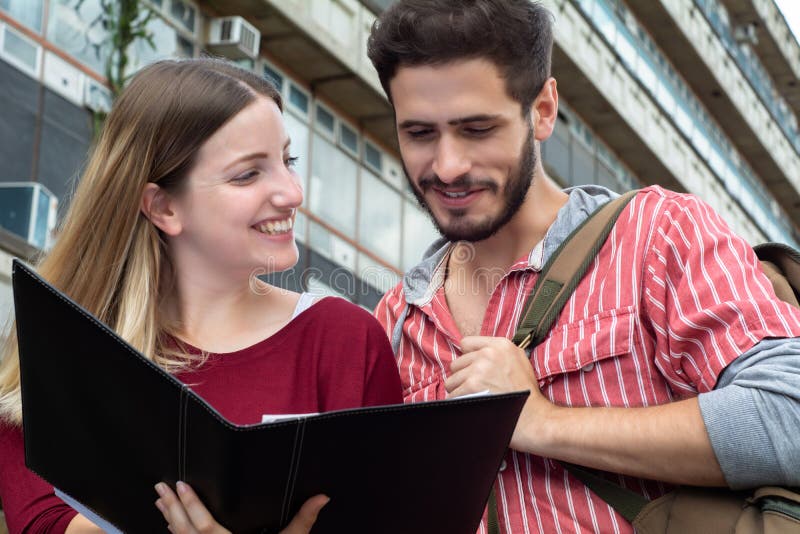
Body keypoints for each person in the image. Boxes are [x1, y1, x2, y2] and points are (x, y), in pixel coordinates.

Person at [367, 1, 800, 532]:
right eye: (419, 134)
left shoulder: (659, 233)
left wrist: (542, 422)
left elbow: (790, 417)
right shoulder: (393, 323)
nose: (448, 166)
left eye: (478, 129)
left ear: (543, 110)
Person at [0, 58, 402, 534]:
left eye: (287, 161)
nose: (292, 192)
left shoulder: (344, 342)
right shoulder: (57, 351)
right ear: (164, 207)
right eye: (247, 175)